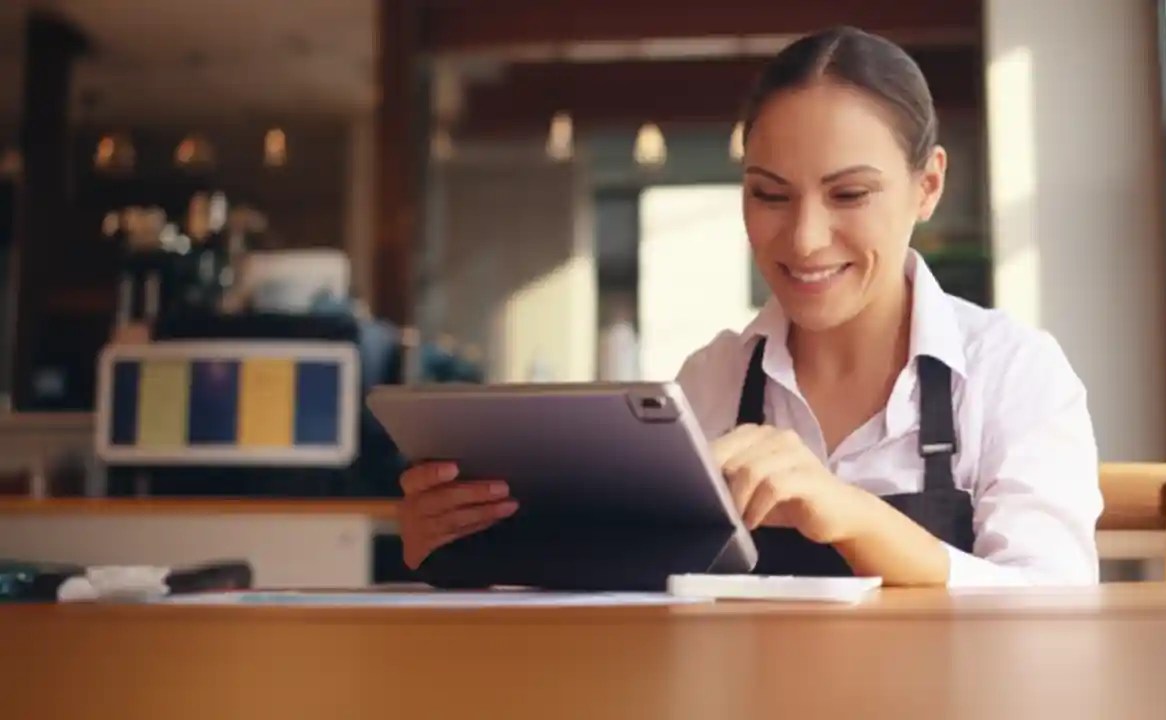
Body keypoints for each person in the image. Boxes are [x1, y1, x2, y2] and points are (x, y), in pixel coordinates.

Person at [397, 26, 1103, 588]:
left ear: (928, 186)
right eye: (769, 194)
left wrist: (854, 518)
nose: (805, 238)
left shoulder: (1012, 375)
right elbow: (636, 595)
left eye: (849, 194)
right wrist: (467, 550)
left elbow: (1055, 605)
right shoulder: (711, 382)